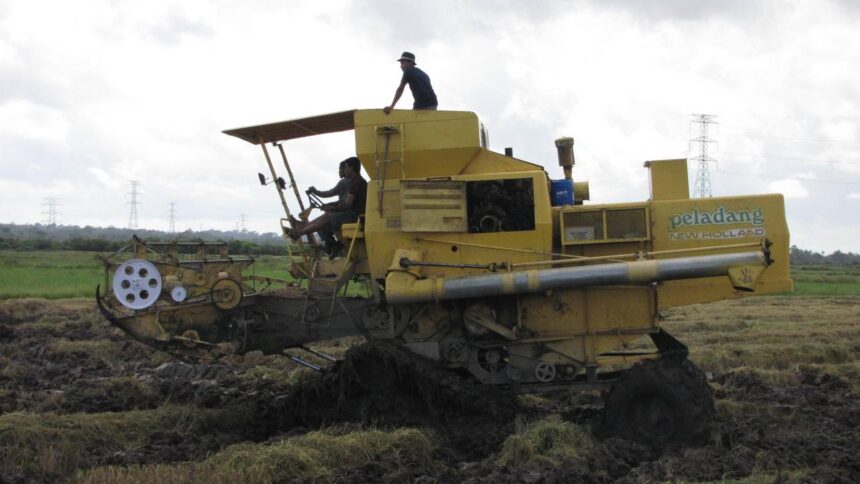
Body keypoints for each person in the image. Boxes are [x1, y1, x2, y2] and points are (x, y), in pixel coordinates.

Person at [287, 157, 367, 257]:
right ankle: (303, 230)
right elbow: (345, 202)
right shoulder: (357, 181)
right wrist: (332, 206)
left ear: (352, 167)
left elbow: (347, 204)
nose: (344, 170)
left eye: (346, 167)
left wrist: (333, 207)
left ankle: (300, 232)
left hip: (355, 216)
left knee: (328, 216)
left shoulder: (355, 182)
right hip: (355, 214)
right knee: (327, 215)